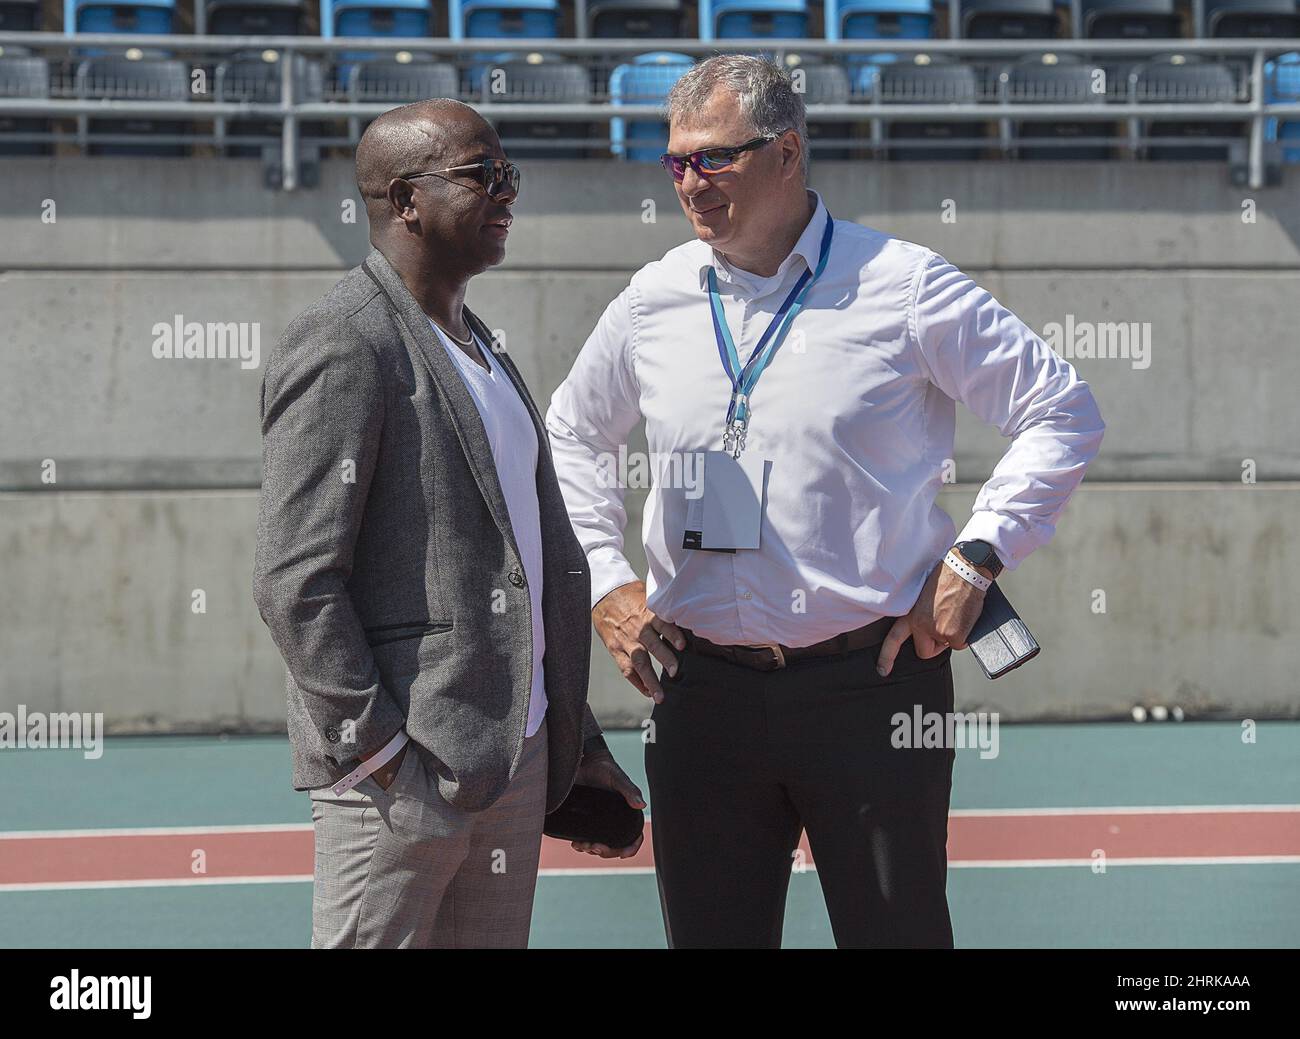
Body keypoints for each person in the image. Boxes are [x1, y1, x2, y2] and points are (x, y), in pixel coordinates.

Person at [546, 55, 1104, 948]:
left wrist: (977, 553)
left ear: (788, 152)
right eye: (677, 163)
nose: (692, 183)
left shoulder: (904, 285)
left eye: (715, 159)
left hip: (872, 688)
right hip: (702, 693)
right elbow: (568, 435)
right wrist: (607, 583)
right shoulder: (653, 300)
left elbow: (1063, 409)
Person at [253, 98, 643, 950]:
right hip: (402, 775)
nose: (506, 193)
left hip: (514, 759)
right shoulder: (344, 341)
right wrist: (381, 754)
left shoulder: (485, 351)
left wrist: (573, 738)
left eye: (509, 175)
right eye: (482, 176)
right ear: (405, 200)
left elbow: (529, 564)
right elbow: (294, 578)